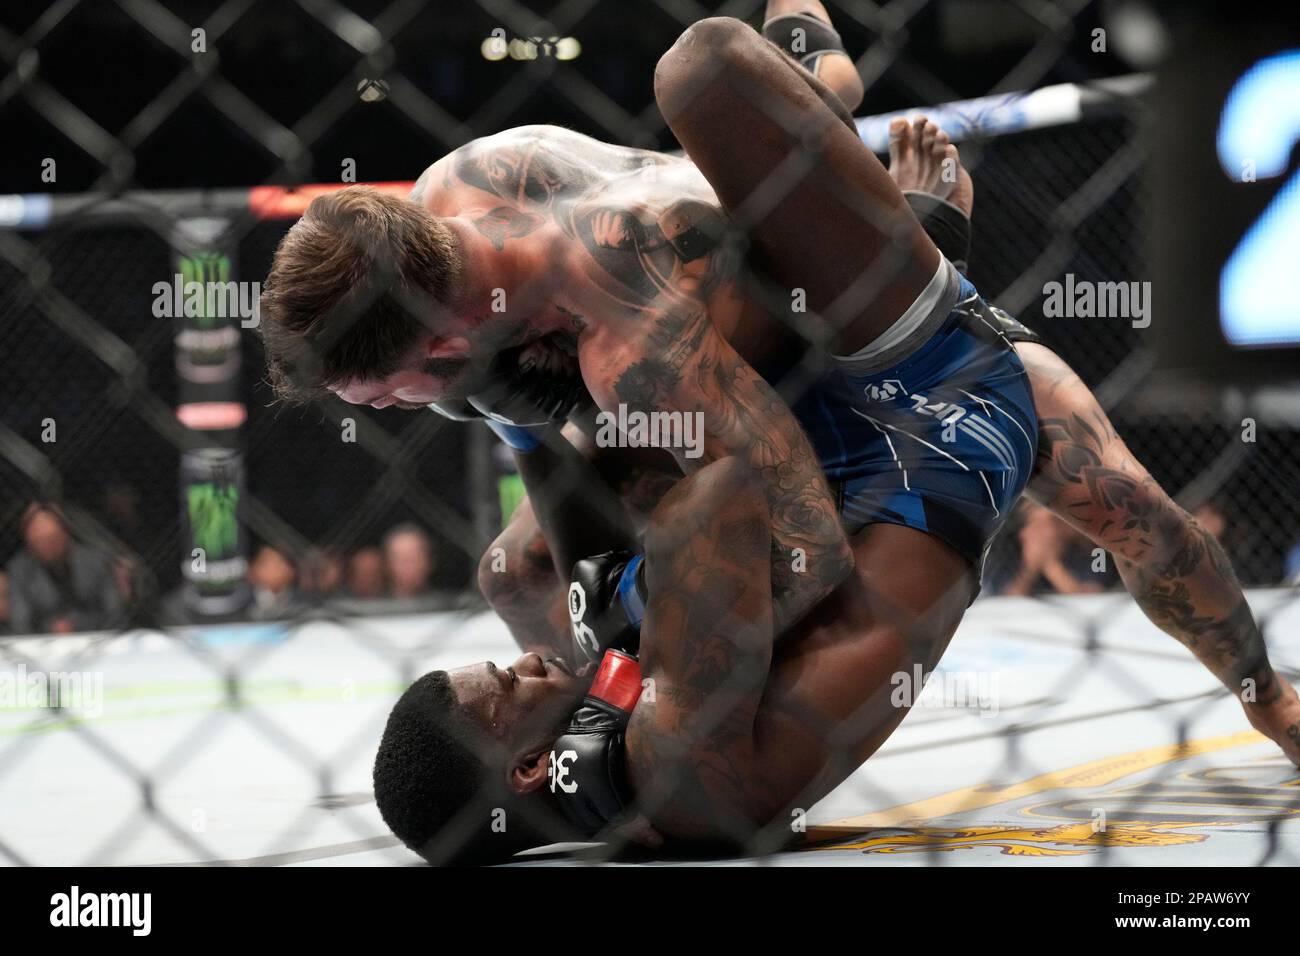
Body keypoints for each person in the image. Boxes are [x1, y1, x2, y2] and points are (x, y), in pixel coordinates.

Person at [6, 501, 124, 634]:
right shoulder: (19, 570)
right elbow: (20, 623)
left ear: (65, 533)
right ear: (28, 542)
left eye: (50, 539)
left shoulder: (97, 561)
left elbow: (115, 614)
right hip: (43, 645)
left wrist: (77, 626)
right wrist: (50, 629)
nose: (45, 546)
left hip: (97, 639)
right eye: (37, 541)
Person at [382, 524, 437, 599]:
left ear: (429, 561)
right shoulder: (370, 606)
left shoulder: (449, 604)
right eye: (400, 559)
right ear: (387, 565)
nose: (408, 565)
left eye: (415, 557)